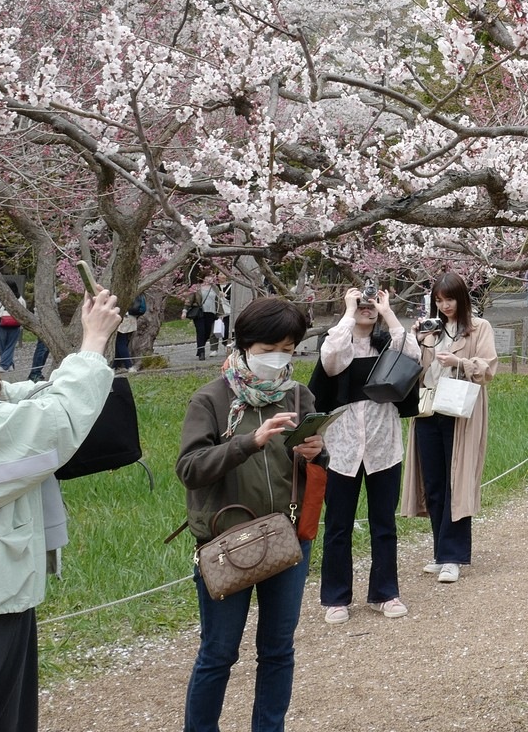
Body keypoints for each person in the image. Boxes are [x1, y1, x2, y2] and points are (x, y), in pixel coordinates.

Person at [176, 295, 324, 732]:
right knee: (219, 651)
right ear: (242, 347)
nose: (277, 359)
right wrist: (249, 442)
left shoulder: (299, 394)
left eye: (288, 349)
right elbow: (189, 468)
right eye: (266, 350)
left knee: (278, 649)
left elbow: (314, 465)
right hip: (227, 543)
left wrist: (317, 452)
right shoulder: (211, 399)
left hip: (287, 536)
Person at [0, 287, 119, 732]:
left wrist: (83, 357)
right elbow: (52, 426)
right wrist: (94, 343)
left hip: (3, 592)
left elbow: (24, 396)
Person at [310, 286, 417, 624]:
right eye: (362, 304)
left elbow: (412, 357)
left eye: (371, 305)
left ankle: (385, 593)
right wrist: (347, 312)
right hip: (342, 446)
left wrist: (389, 314)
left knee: (383, 523)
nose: (366, 309)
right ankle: (336, 598)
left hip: (383, 444)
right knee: (338, 525)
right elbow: (330, 359)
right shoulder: (340, 343)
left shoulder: (387, 342)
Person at [405, 272, 495, 583]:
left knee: (456, 480)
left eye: (450, 299)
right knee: (433, 481)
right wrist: (416, 339)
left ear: (462, 298)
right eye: (439, 300)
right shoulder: (430, 330)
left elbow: (487, 369)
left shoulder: (478, 327)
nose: (444, 306)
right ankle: (440, 552)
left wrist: (458, 363)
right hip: (428, 408)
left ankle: (453, 556)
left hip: (461, 410)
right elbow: (411, 366)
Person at [0, 294, 21, 372]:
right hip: (15, 324)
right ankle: (9, 364)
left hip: (0, 323)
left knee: (1, 345)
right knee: (11, 345)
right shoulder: (20, 299)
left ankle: (3, 365)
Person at [193, 280, 218, 361]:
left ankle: (200, 348)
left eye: (211, 277)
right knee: (200, 332)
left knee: (207, 332)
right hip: (199, 312)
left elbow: (219, 300)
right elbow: (190, 299)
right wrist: (184, 310)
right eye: (208, 277)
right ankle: (201, 353)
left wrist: (220, 313)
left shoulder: (214, 287)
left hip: (211, 312)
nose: (210, 279)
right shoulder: (197, 287)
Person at [114, 297, 140, 371]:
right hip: (130, 318)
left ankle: (129, 366)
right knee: (121, 342)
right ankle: (115, 365)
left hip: (124, 318)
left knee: (120, 343)